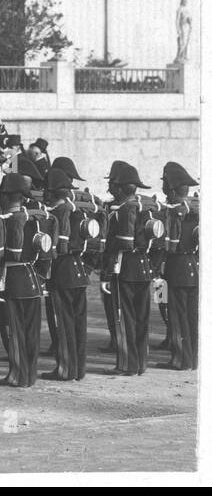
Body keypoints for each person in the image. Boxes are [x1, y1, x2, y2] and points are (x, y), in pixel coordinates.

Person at [0, 173, 43, 387]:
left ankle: (17, 375)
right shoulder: (36, 217)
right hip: (33, 277)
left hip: (12, 279)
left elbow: (0, 256)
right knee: (31, 330)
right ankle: (29, 374)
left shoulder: (6, 220)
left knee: (14, 330)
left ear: (7, 195)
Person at [102, 161, 154, 376]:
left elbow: (123, 242)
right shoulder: (146, 208)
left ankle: (127, 364)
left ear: (121, 188)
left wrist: (107, 252)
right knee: (142, 317)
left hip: (124, 268)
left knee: (125, 317)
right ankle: (141, 362)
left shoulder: (123, 210)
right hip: (144, 266)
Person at [43, 167, 92, 381]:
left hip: (61, 272)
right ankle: (78, 369)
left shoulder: (53, 215)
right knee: (78, 324)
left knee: (63, 323)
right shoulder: (78, 211)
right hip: (79, 270)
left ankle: (65, 369)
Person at [157, 162, 198, 371]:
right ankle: (192, 359)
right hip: (193, 267)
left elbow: (165, 244)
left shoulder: (172, 212)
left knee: (176, 314)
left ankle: (180, 359)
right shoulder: (194, 210)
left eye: (165, 183)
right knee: (191, 316)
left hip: (176, 268)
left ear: (171, 188)